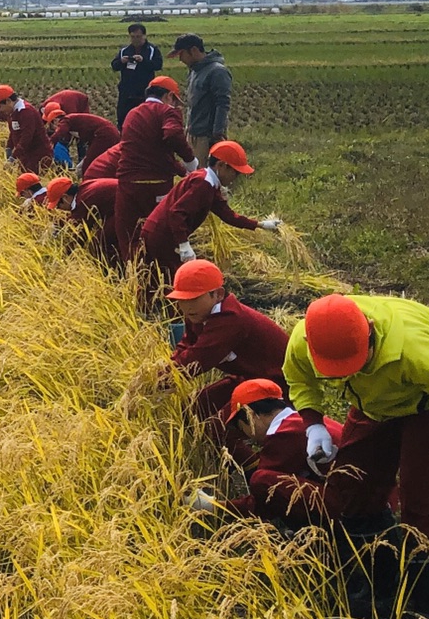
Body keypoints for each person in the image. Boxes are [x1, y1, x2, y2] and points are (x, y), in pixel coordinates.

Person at [286, 293, 429, 618]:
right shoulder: (305, 340)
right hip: (374, 403)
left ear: (370, 331)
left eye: (356, 364)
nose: (346, 375)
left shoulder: (415, 349)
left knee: (425, 506)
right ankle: (375, 591)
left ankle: (424, 610)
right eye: (337, 371)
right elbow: (299, 378)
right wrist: (313, 425)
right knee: (350, 487)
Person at [194, 378, 342, 529]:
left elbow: (263, 500)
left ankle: (320, 534)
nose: (248, 436)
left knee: (261, 479)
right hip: (357, 497)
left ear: (249, 415)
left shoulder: (282, 435)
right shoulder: (304, 421)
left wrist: (214, 506)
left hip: (348, 510)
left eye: (241, 427)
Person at [135, 139, 279, 289]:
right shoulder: (202, 184)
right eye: (235, 173)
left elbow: (228, 215)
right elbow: (176, 213)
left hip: (163, 233)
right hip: (161, 235)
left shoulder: (210, 183)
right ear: (221, 165)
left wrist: (261, 225)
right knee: (177, 282)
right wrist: (184, 245)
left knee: (160, 282)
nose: (235, 178)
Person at [166, 259, 289, 426]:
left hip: (276, 386)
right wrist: (162, 370)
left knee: (218, 428)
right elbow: (187, 344)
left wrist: (159, 380)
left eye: (194, 299)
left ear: (218, 294)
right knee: (192, 409)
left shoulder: (231, 320)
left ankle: (252, 452)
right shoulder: (198, 313)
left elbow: (198, 358)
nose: (186, 307)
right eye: (182, 300)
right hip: (246, 379)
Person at [113, 75, 193, 261]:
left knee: (129, 237)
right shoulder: (167, 112)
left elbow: (156, 152)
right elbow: (172, 135)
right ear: (168, 96)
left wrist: (183, 171)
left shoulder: (132, 114)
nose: (175, 105)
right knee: (159, 236)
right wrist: (191, 162)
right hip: (156, 184)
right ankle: (161, 279)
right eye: (175, 100)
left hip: (127, 185)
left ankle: (133, 280)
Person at [173, 33, 233, 165]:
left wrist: (217, 135)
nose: (180, 59)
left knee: (205, 176)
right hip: (193, 132)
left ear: (193, 50)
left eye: (182, 54)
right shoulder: (194, 71)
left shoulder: (217, 71)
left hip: (206, 136)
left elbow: (222, 104)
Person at [0, 85, 54, 174]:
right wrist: (9, 148)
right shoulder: (12, 113)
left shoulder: (26, 112)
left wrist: (13, 157)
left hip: (38, 155)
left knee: (29, 182)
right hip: (26, 155)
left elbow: (26, 137)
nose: (0, 110)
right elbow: (13, 132)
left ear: (8, 101)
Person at [44, 103, 120, 173]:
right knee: (100, 160)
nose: (54, 128)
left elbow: (60, 132)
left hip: (104, 135)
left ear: (55, 120)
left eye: (51, 125)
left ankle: (86, 182)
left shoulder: (66, 120)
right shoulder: (73, 121)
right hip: (108, 134)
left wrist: (50, 143)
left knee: (88, 164)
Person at [110, 22, 163, 124]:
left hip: (145, 90)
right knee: (123, 119)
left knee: (145, 120)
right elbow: (114, 66)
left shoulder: (152, 50)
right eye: (133, 37)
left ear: (144, 36)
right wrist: (122, 61)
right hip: (127, 91)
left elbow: (158, 65)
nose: (135, 39)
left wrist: (143, 61)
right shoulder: (125, 50)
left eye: (138, 36)